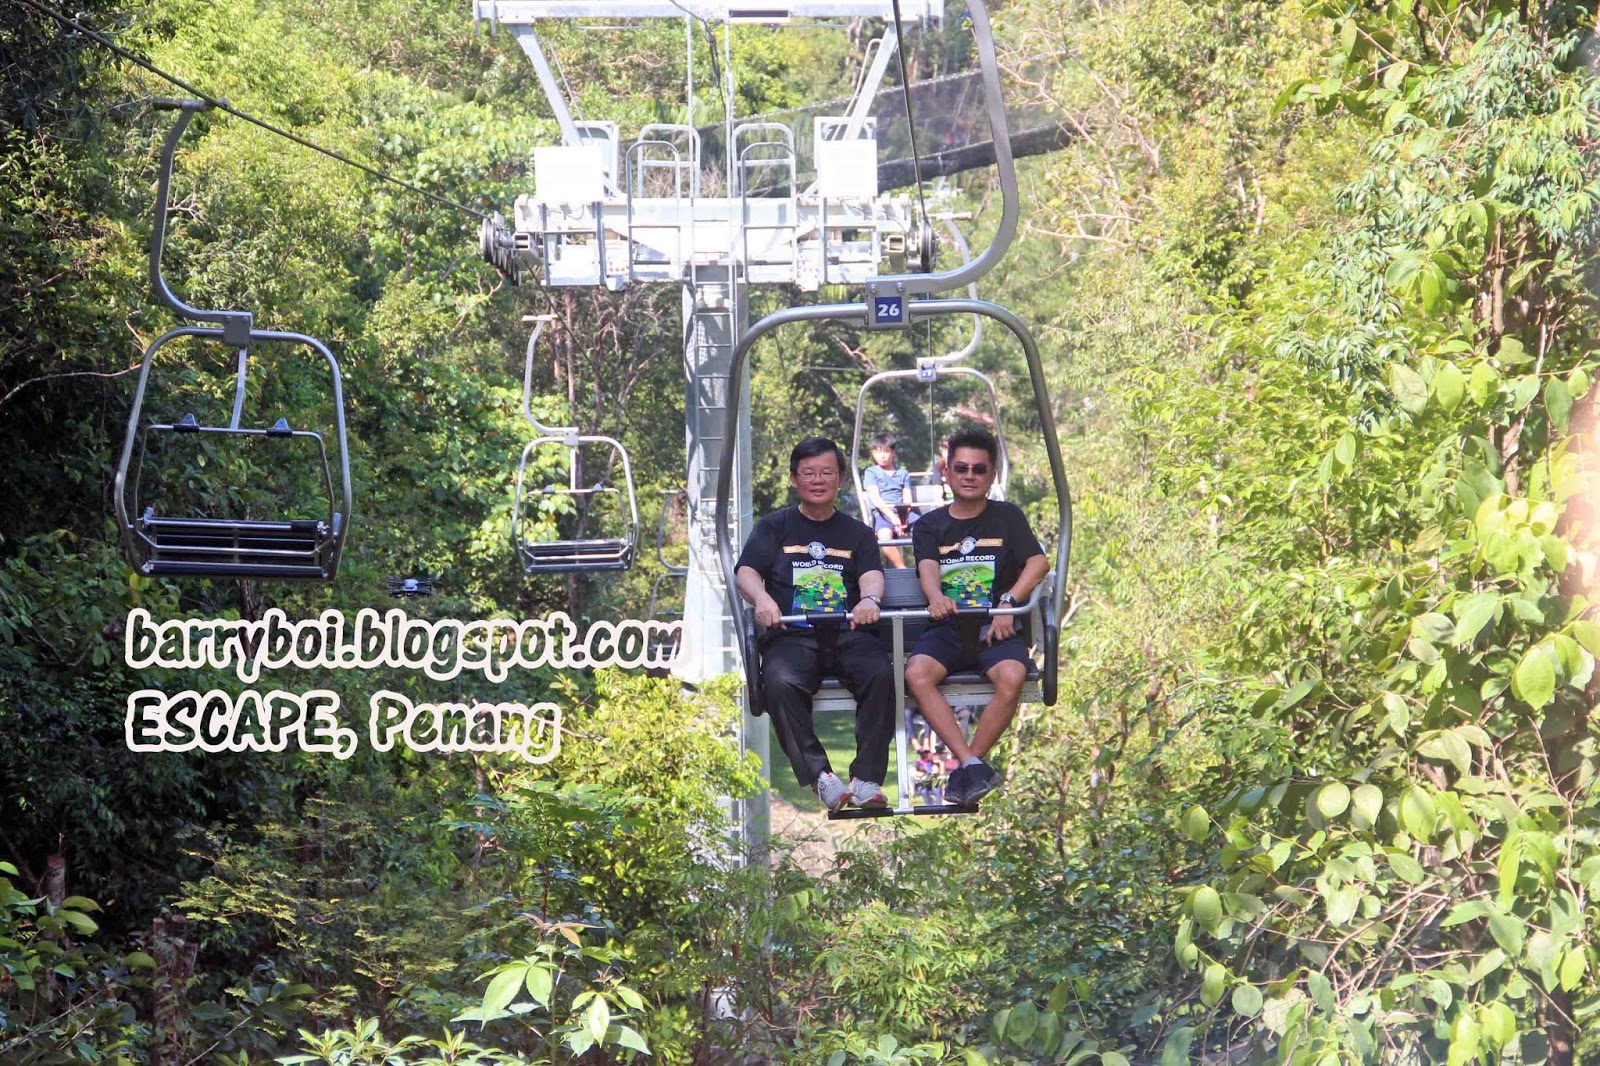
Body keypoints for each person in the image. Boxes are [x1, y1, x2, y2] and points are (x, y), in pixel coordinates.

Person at [735, 436, 894, 813]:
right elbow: (746, 572)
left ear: (839, 478)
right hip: (792, 635)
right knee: (779, 682)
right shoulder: (774, 527)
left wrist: (869, 600)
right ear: (794, 479)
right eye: (809, 473)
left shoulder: (857, 533)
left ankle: (866, 779)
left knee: (880, 674)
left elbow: (872, 574)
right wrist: (763, 600)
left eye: (826, 472)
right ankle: (821, 777)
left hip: (846, 632)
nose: (818, 480)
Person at [905, 428, 1048, 805]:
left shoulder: (1007, 518)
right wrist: (935, 597)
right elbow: (928, 568)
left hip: (994, 627)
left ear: (991, 475)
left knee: (1013, 675)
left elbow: (1038, 563)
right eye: (962, 468)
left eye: (979, 469)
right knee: (917, 674)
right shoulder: (930, 525)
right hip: (950, 628)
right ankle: (970, 763)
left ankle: (965, 766)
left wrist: (1007, 602)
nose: (970, 475)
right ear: (947, 472)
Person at [861, 432, 914, 568]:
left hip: (903, 513)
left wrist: (903, 518)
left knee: (927, 530)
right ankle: (902, 569)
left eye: (886, 451)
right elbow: (876, 499)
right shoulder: (871, 473)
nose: (883, 456)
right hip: (883, 515)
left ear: (893, 453)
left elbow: (907, 498)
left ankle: (927, 566)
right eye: (879, 452)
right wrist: (893, 518)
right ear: (873, 453)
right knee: (885, 537)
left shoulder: (903, 473)